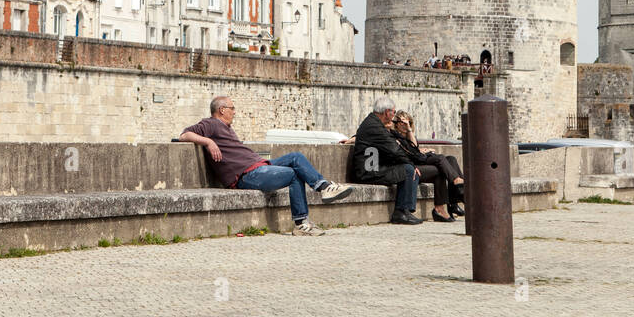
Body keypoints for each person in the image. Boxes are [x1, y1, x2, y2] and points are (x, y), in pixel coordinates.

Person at [180, 96, 352, 236]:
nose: (234, 112)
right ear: (221, 110)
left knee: (296, 157)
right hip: (246, 175)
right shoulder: (211, 124)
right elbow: (184, 135)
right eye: (232, 108)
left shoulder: (227, 128)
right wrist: (208, 142)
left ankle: (324, 187)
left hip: (257, 166)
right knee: (293, 174)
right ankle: (301, 224)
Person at [353, 96, 422, 224]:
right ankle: (401, 212)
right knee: (408, 170)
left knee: (408, 169)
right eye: (393, 112)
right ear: (387, 112)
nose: (394, 115)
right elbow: (394, 149)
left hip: (373, 168)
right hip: (368, 172)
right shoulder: (374, 126)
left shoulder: (373, 122)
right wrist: (411, 164)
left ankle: (406, 211)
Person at [391, 110, 465, 220]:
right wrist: (420, 150)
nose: (405, 125)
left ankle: (453, 204)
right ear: (396, 123)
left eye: (408, 122)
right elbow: (413, 152)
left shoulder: (409, 136)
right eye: (402, 122)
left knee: (451, 159)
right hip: (413, 166)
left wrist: (418, 145)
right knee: (440, 161)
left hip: (417, 160)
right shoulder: (395, 137)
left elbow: (414, 148)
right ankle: (457, 185)